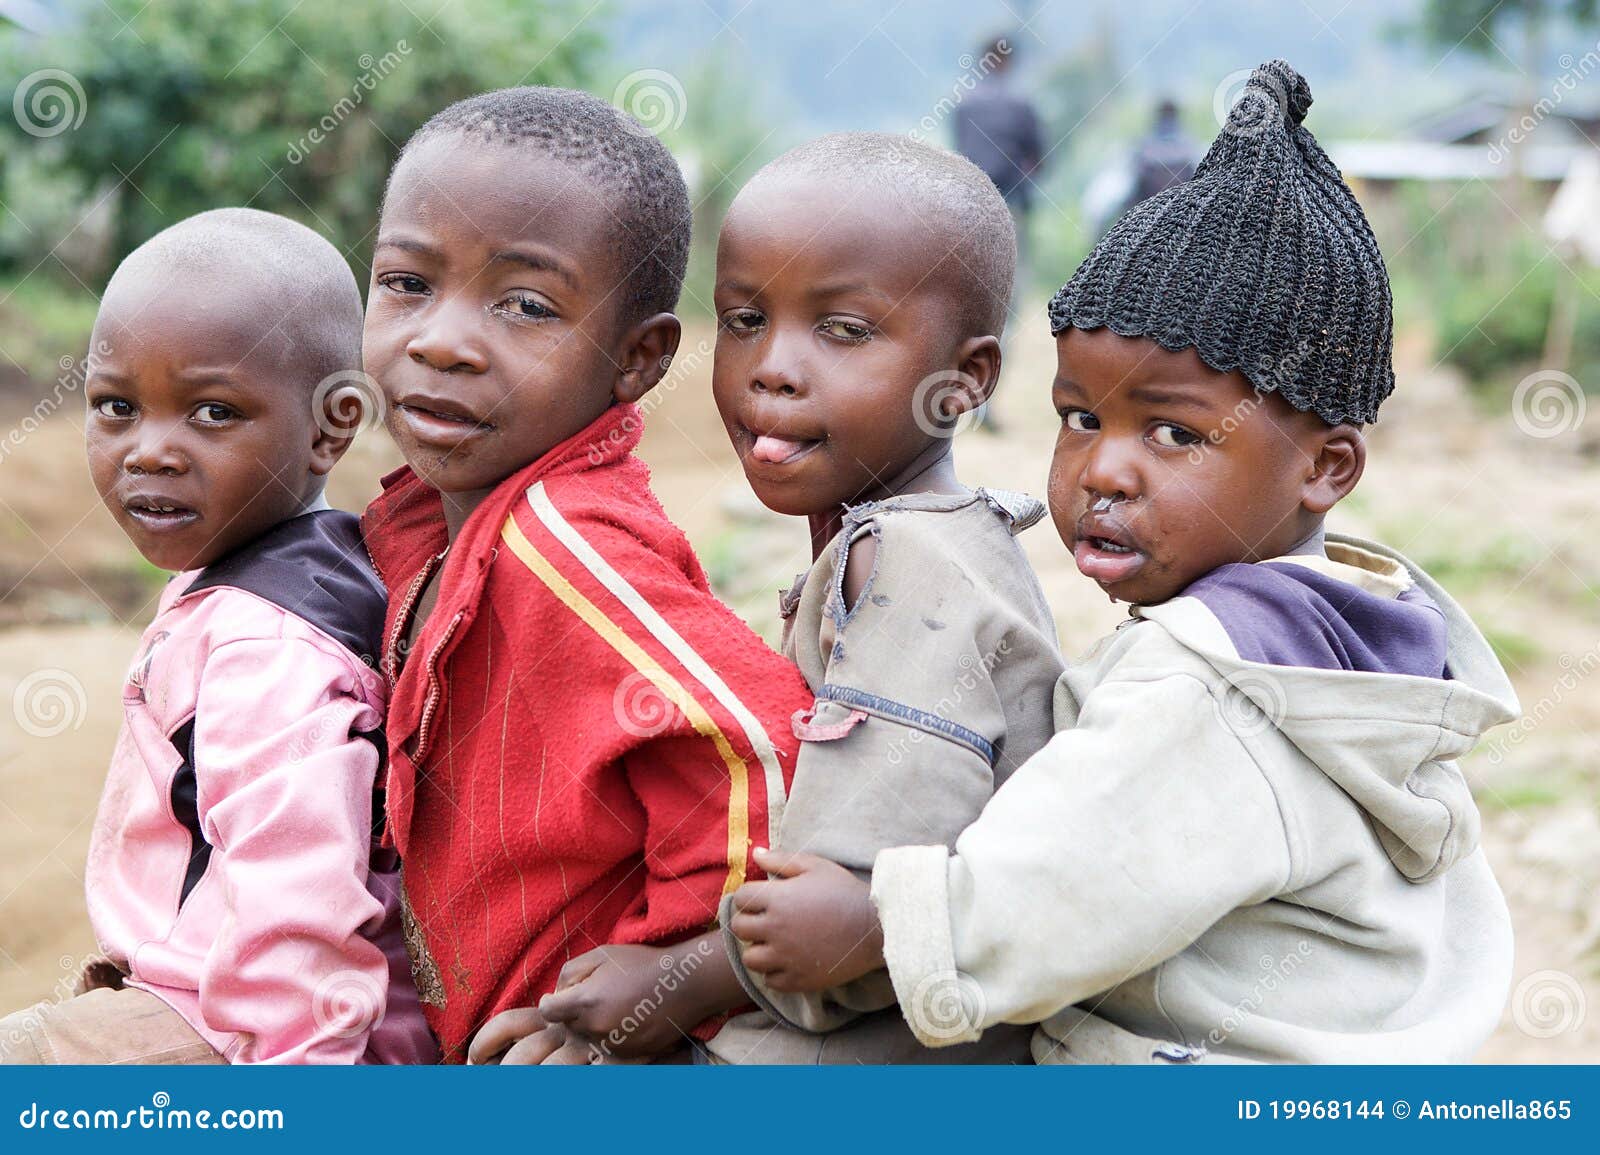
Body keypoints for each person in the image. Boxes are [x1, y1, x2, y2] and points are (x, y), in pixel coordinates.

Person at [723, 60, 1519, 1064]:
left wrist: (878, 924)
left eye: (1175, 435)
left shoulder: (1204, 683)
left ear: (1325, 468)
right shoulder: (1352, 633)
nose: (1102, 470)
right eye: (1080, 418)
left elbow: (1069, 882)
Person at [523, 134, 1065, 1064]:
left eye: (844, 330)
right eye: (742, 320)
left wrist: (679, 980)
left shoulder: (904, 556)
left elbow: (855, 914)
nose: (771, 367)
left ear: (966, 379)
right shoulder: (926, 538)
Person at [357, 87, 812, 1064]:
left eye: (525, 305)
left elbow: (765, 755)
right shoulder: (424, 525)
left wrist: (675, 980)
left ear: (637, 358)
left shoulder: (564, 546)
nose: (439, 338)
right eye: (405, 283)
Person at [0, 208, 434, 1064]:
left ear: (331, 423)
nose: (149, 451)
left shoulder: (264, 645)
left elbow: (298, 906)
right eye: (116, 406)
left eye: (212, 411)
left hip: (243, 1035)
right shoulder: (305, 564)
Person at [954, 35, 1045, 431]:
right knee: (1005, 308)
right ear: (1008, 63)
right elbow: (1041, 162)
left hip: (964, 213)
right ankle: (984, 405)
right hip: (1009, 212)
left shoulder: (963, 105)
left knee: (960, 303)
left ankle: (953, 400)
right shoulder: (1022, 106)